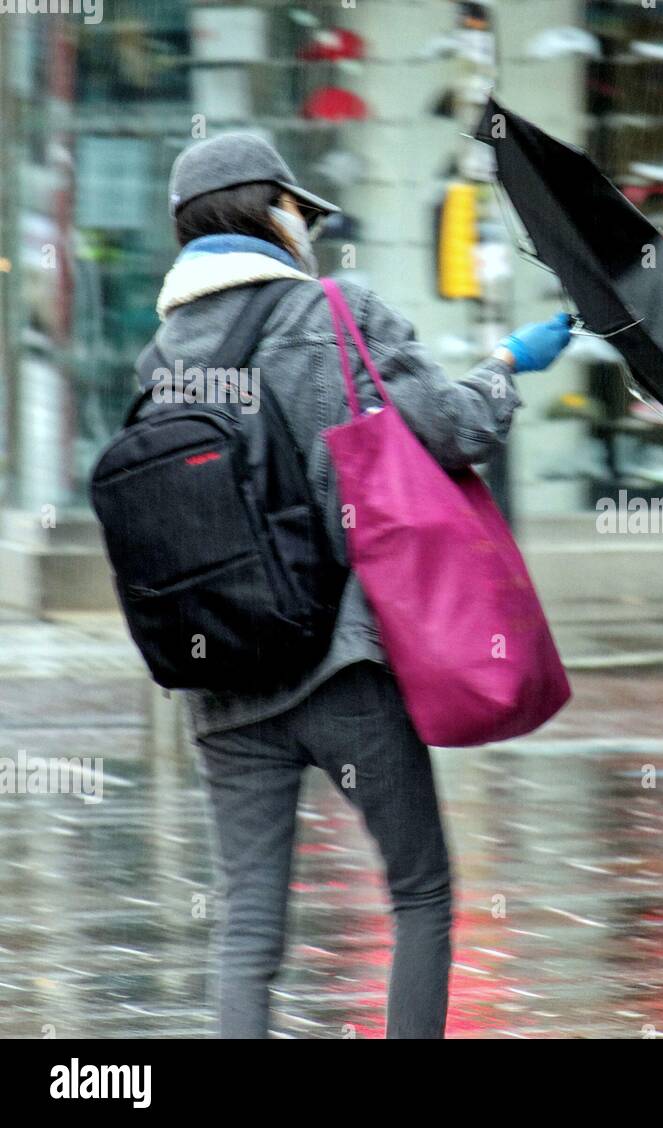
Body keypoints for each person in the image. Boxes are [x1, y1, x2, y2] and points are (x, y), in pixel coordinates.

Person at [146, 132, 572, 1037]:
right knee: (419, 891)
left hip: (225, 683)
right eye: (299, 209)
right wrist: (506, 367)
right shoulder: (336, 313)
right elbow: (452, 430)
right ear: (273, 212)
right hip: (345, 671)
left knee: (247, 925)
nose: (306, 227)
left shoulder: (159, 360)